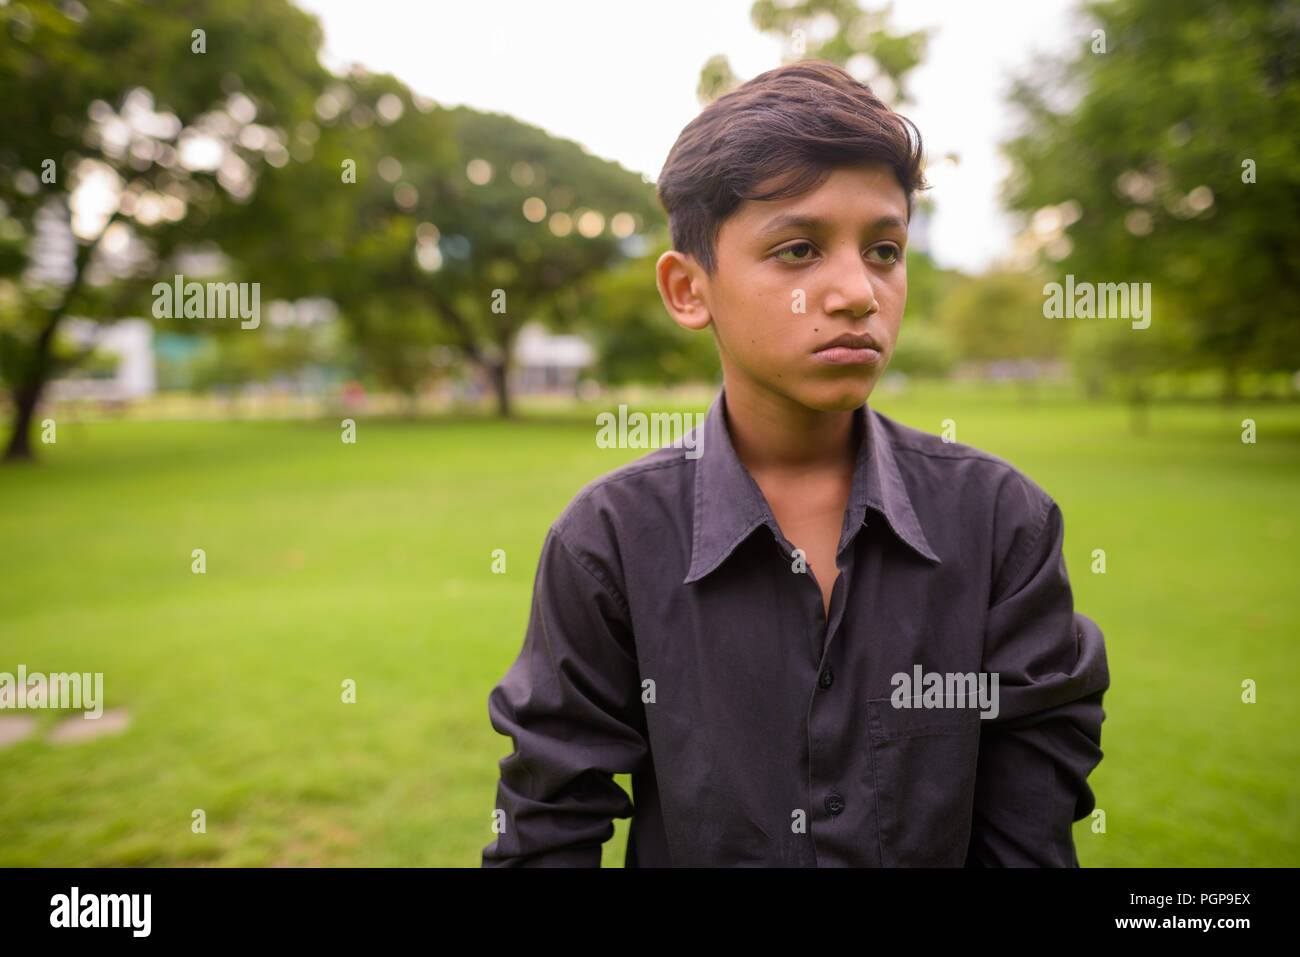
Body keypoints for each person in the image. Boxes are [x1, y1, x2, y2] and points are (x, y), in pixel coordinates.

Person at [482, 59, 1109, 867]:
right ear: (687, 288)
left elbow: (1029, 835)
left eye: (884, 249)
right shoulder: (607, 542)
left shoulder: (1002, 523)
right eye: (799, 249)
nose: (857, 291)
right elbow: (547, 828)